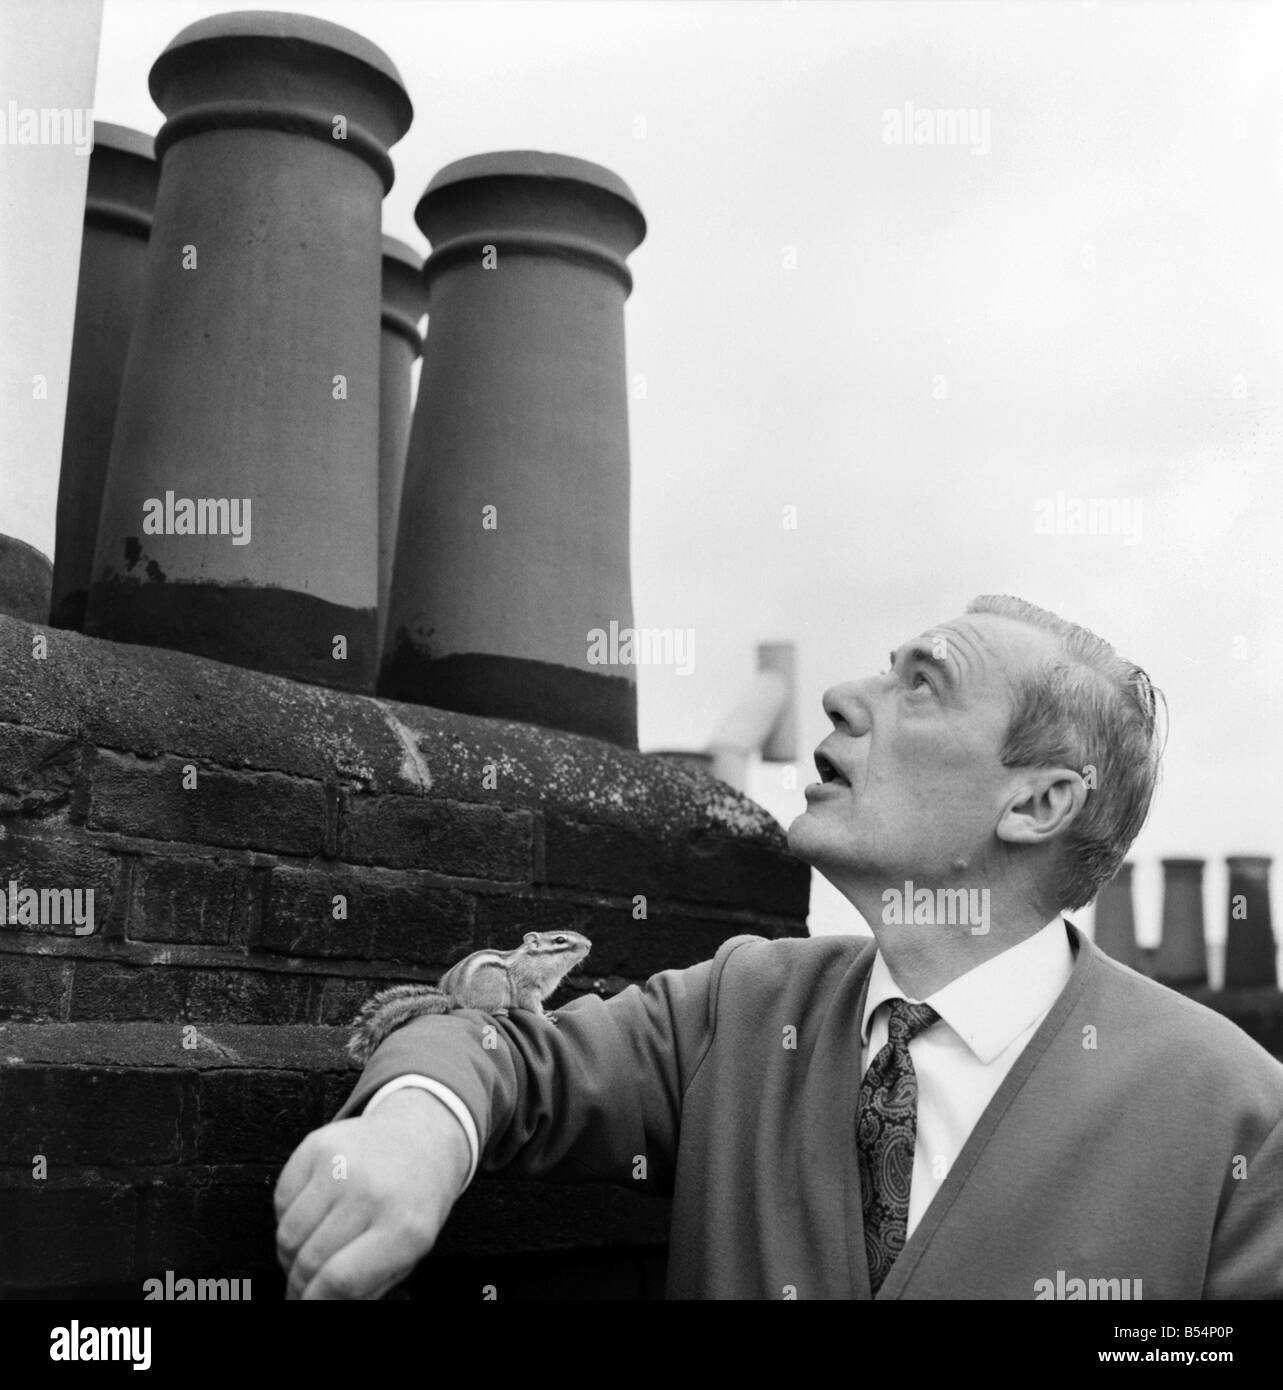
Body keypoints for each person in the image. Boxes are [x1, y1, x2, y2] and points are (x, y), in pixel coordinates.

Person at [275, 595, 1283, 1299]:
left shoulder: (1240, 1117)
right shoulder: (736, 1008)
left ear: (1034, 801)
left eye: (919, 685)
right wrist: (419, 1132)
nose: (845, 696)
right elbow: (502, 1058)